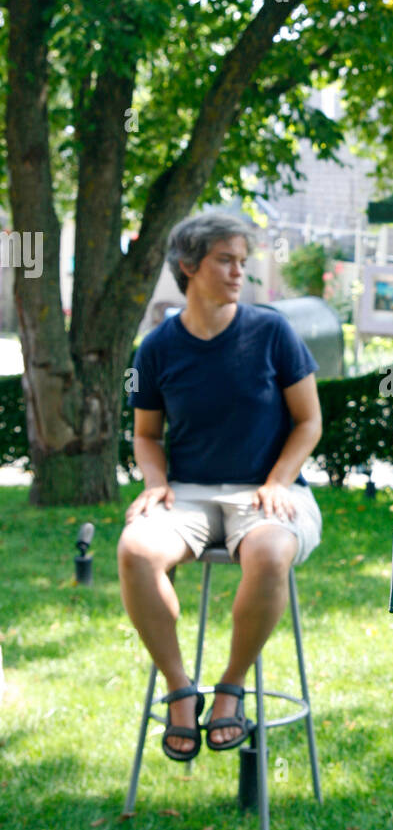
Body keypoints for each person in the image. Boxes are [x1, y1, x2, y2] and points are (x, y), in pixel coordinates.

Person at [117, 212, 323, 759]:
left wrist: (279, 480)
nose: (238, 272)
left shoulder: (271, 331)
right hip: (187, 493)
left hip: (268, 491)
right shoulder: (156, 347)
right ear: (188, 266)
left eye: (242, 262)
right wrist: (155, 482)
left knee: (272, 550)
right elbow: (146, 435)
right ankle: (180, 689)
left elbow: (309, 422)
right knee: (135, 549)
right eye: (225, 260)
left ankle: (231, 687)